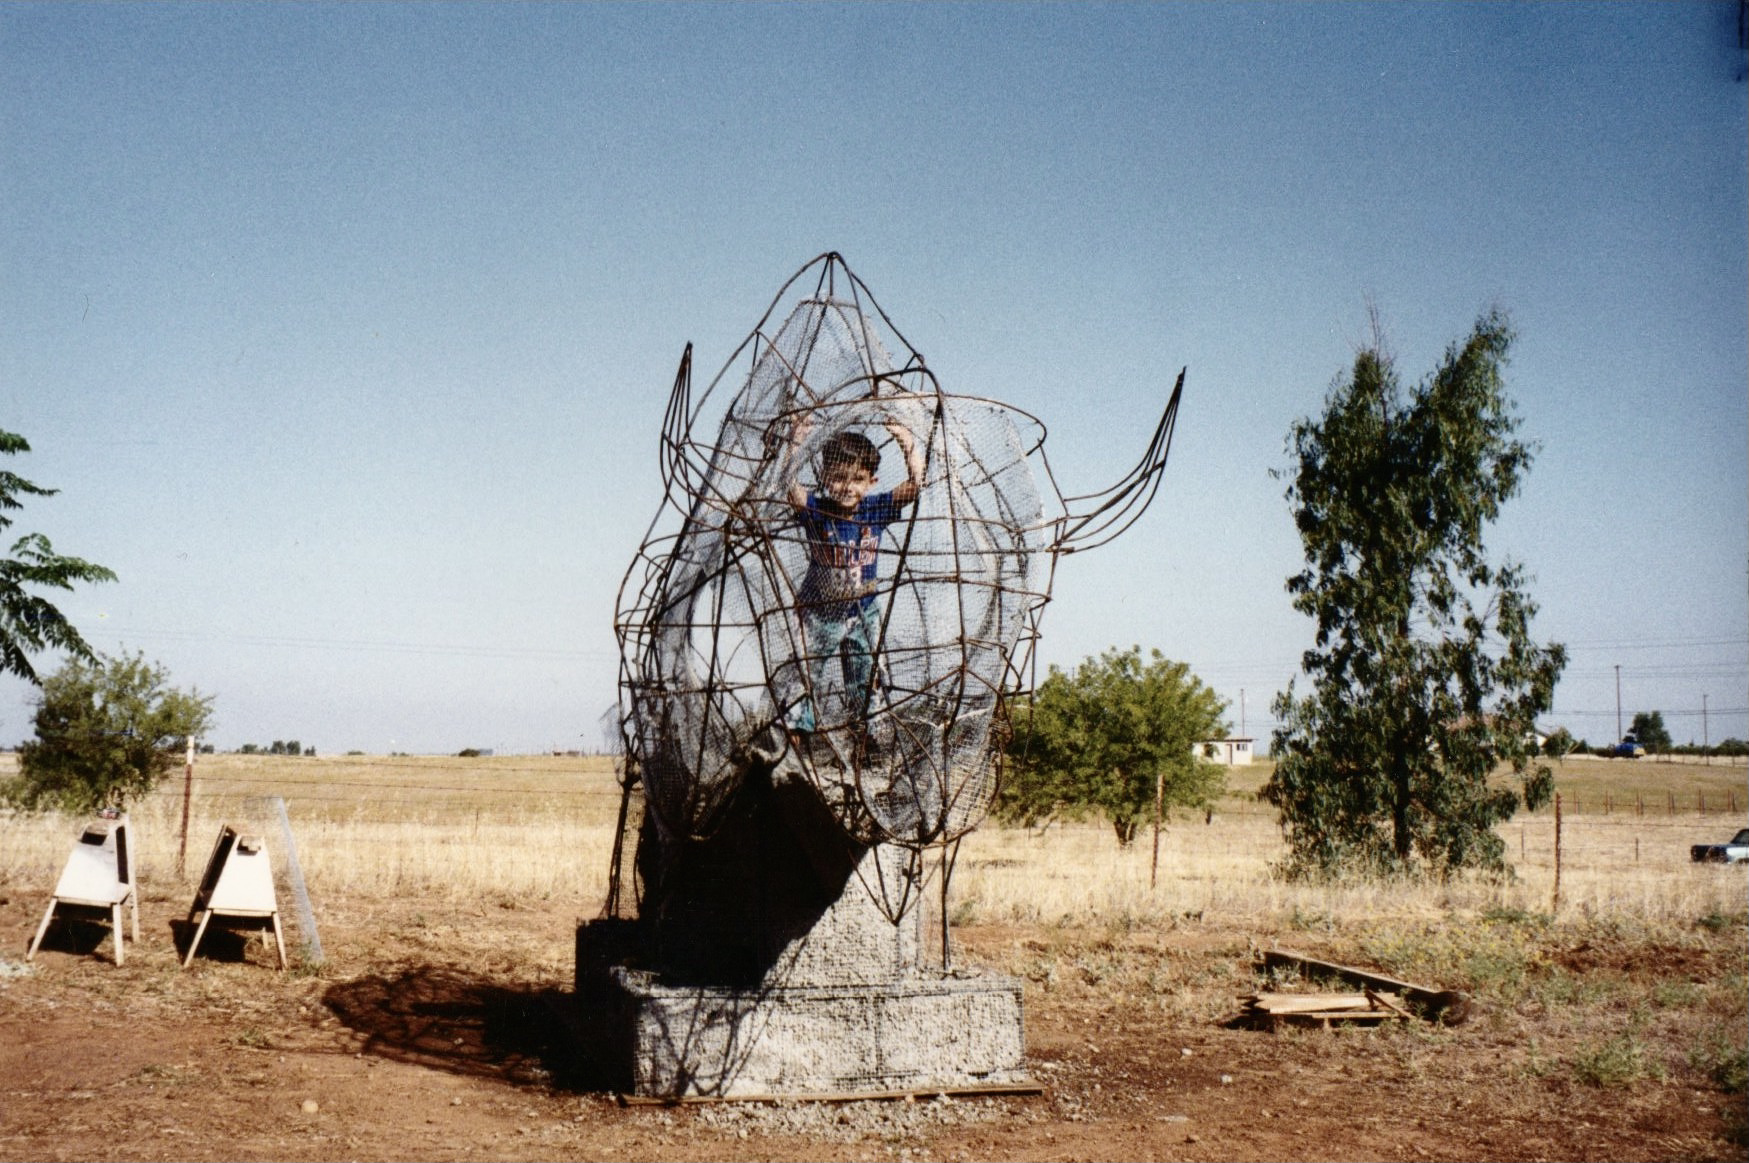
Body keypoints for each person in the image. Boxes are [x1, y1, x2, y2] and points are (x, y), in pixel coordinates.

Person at [784, 412, 925, 736]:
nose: (847, 487)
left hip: (864, 611)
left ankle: (868, 738)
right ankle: (796, 738)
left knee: (868, 678)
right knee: (805, 676)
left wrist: (907, 444)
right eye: (837, 477)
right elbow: (790, 488)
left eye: (857, 478)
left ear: (871, 481)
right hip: (819, 613)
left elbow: (916, 485)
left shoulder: (875, 508)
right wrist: (795, 443)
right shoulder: (818, 510)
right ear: (824, 477)